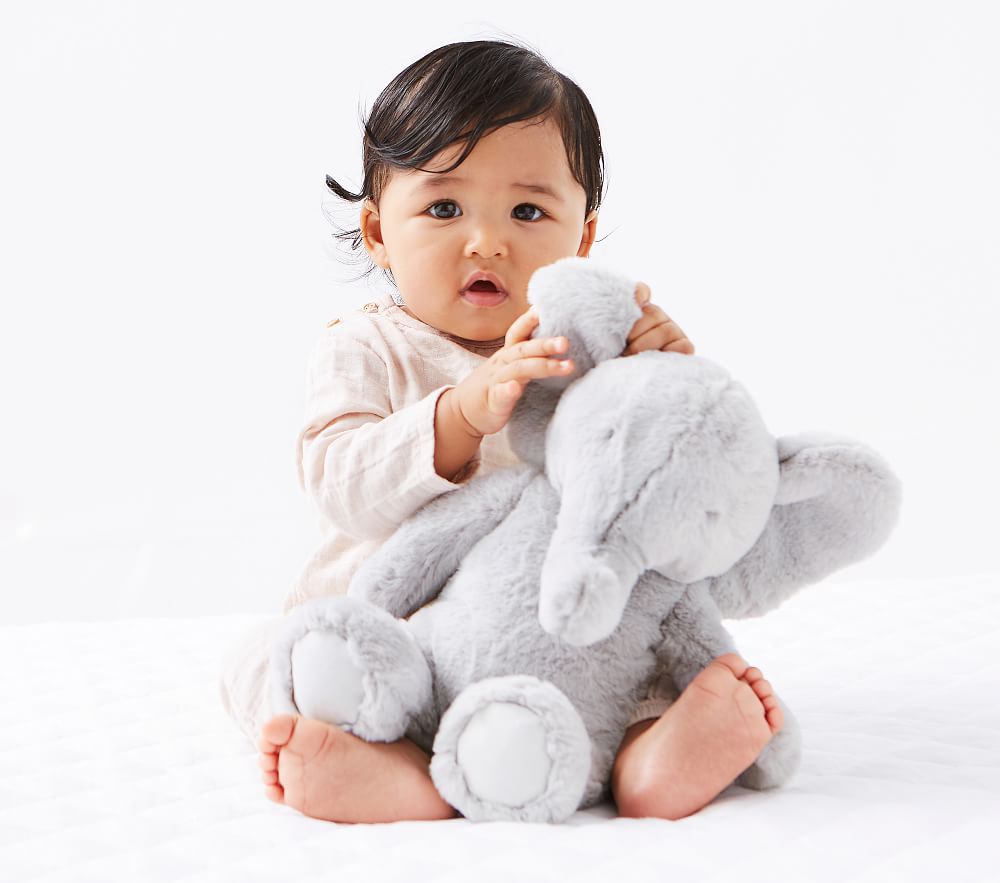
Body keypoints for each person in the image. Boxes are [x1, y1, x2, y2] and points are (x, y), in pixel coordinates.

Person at [220, 38, 783, 824]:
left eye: (527, 211)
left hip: (554, 642)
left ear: (581, 239)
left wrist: (661, 380)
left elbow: (659, 494)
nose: (487, 241)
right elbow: (339, 481)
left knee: (644, 661)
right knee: (263, 664)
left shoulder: (589, 355)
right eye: (444, 208)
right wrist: (457, 416)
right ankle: (397, 770)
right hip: (396, 640)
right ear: (378, 231)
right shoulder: (367, 346)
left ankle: (651, 757)